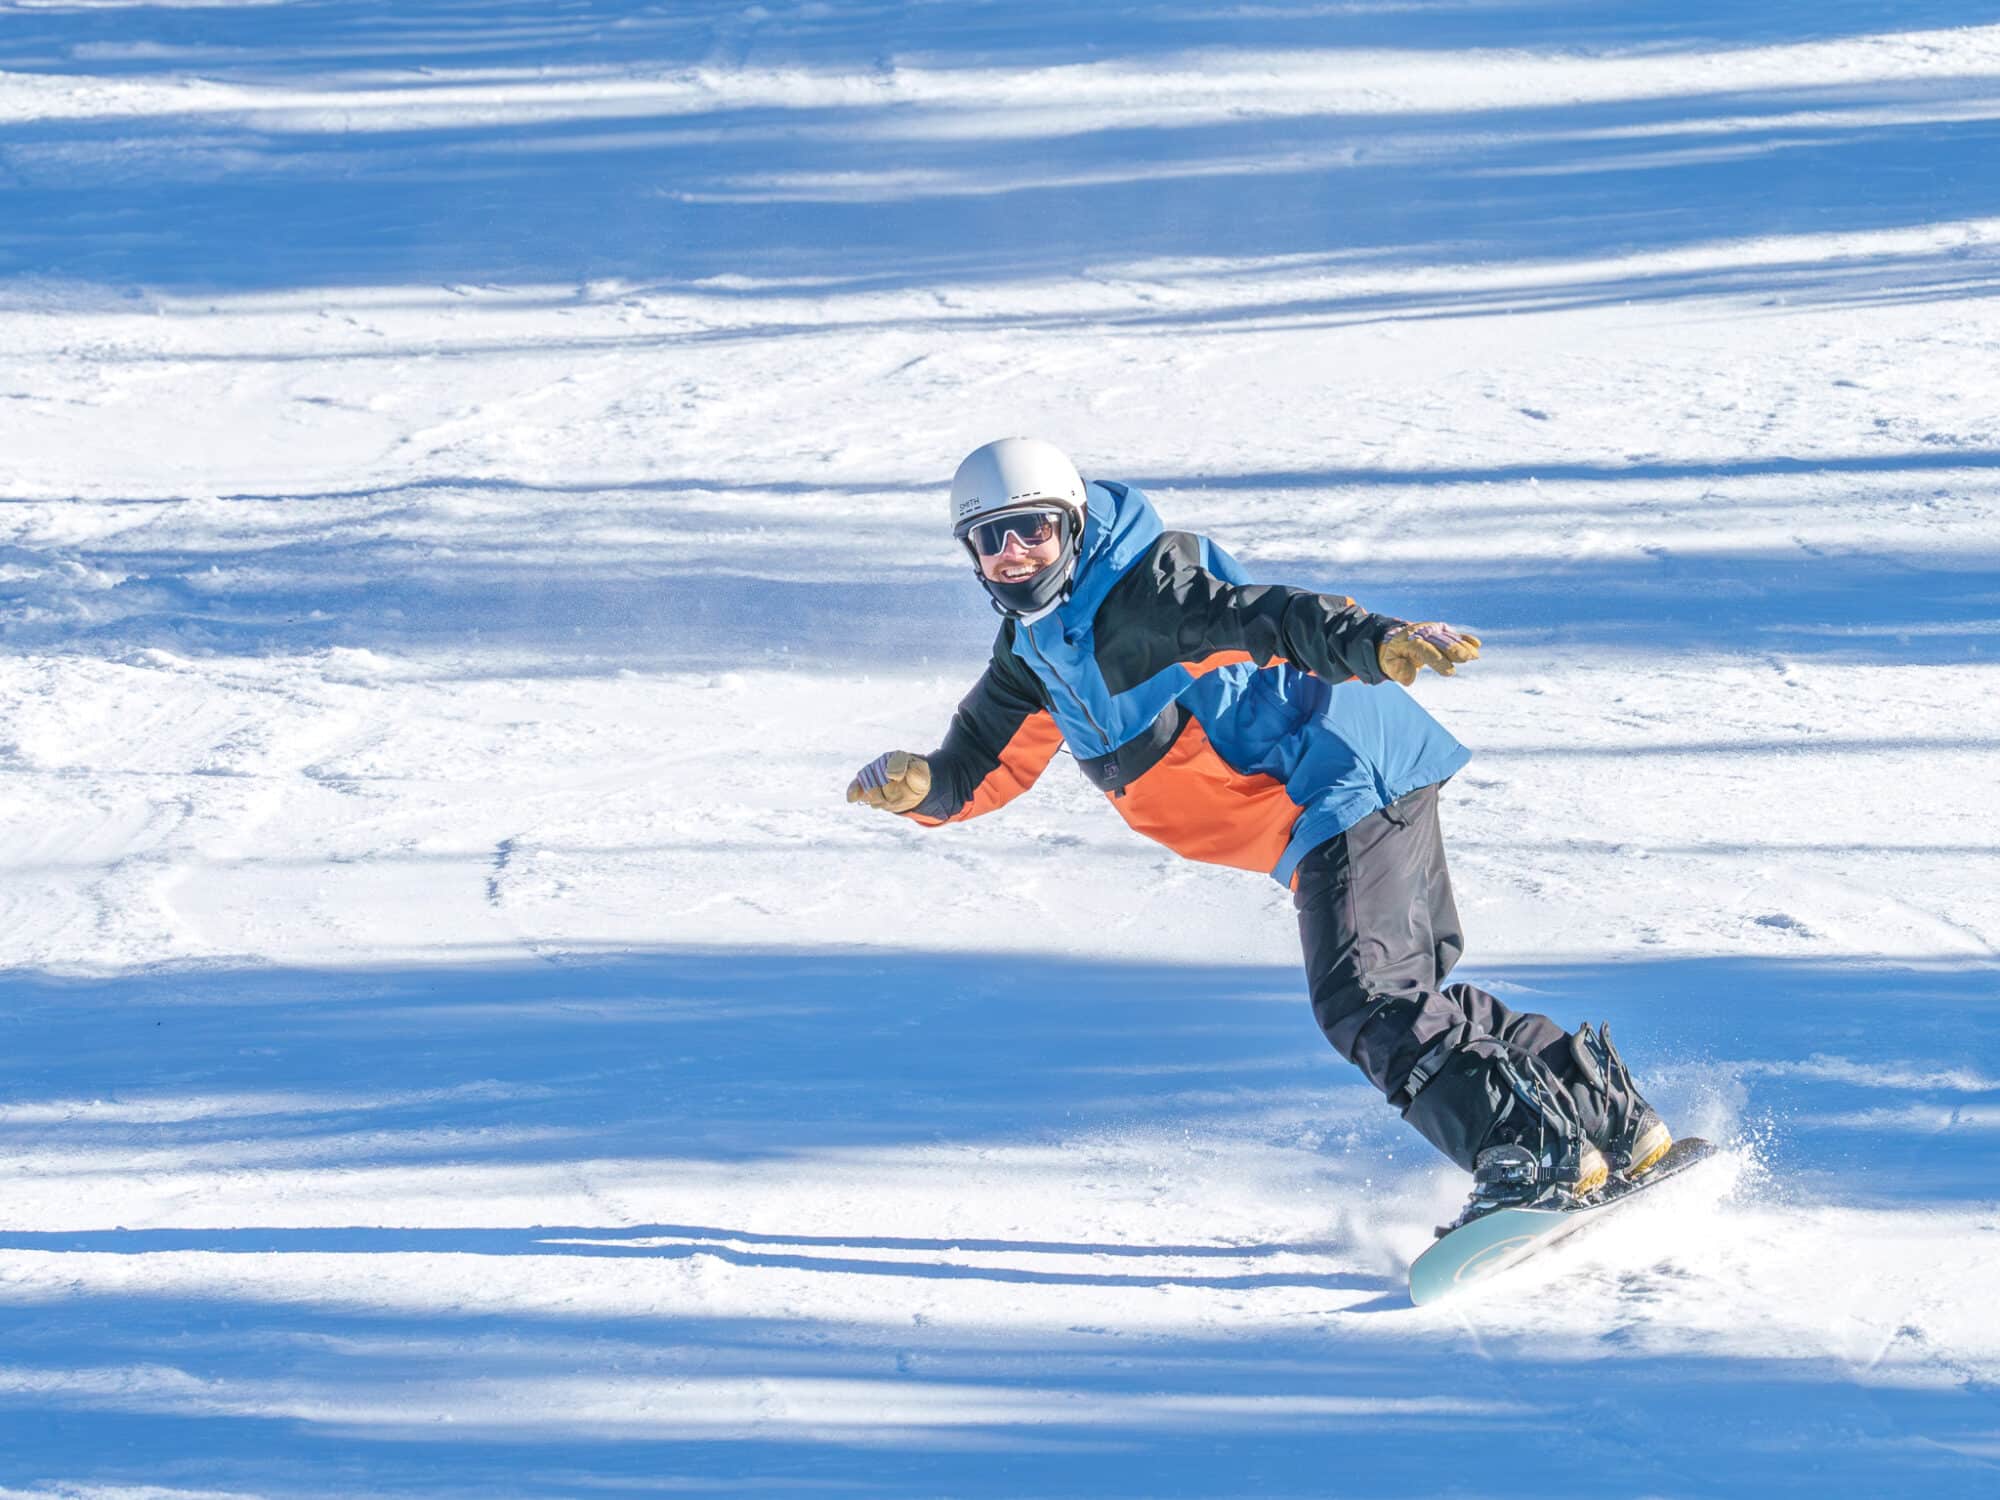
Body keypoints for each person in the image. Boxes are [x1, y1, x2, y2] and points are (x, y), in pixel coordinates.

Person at [846, 437, 1671, 1225]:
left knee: (1367, 1003)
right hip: (1339, 796)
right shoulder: (1034, 649)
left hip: (1339, 780)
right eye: (992, 540)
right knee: (1405, 1002)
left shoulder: (1142, 595)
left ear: (1072, 524)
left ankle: (1529, 1153)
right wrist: (922, 786)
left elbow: (1267, 617)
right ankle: (1609, 1120)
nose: (1016, 552)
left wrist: (1375, 640)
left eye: (1034, 528)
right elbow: (979, 762)